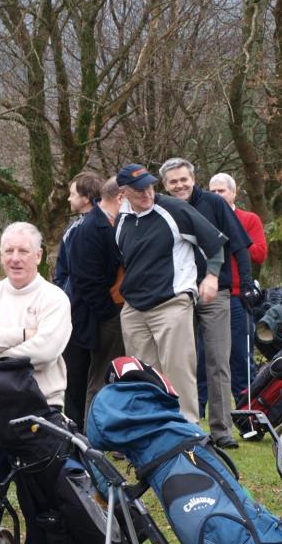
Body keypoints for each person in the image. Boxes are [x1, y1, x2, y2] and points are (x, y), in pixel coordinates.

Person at [0, 222, 72, 544]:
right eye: (9, 250)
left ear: (38, 255)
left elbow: (46, 350)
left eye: (23, 251)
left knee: (38, 495)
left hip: (41, 411)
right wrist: (23, 333)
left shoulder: (54, 298)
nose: (15, 258)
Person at [114, 163, 227, 425]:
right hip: (134, 308)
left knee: (178, 372)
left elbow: (214, 242)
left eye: (149, 186)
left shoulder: (173, 209)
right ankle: (153, 429)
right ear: (124, 193)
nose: (147, 193)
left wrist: (211, 276)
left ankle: (188, 431)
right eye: (139, 190)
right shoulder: (121, 219)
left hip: (172, 302)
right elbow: (125, 259)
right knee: (142, 374)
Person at [158, 158, 253, 447]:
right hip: (176, 296)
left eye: (183, 179)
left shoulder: (215, 203)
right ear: (164, 185)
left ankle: (222, 431)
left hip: (216, 292)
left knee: (218, 360)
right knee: (180, 364)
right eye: (173, 181)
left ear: (193, 177)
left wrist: (246, 285)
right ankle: (184, 428)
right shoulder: (160, 208)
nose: (179, 185)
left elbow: (238, 245)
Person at [59, 171, 123, 429]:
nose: (68, 199)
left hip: (93, 313)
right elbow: (79, 278)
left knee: (95, 373)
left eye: (72, 194)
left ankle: (90, 429)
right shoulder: (83, 228)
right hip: (82, 313)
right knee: (80, 376)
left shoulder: (107, 224)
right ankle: (82, 431)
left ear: (86, 198)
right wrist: (108, 312)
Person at [208, 172, 269, 397]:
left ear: (233, 193)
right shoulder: (202, 218)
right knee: (205, 357)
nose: (216, 195)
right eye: (212, 191)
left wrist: (235, 240)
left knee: (240, 357)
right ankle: (197, 420)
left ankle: (248, 417)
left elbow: (260, 254)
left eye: (221, 191)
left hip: (236, 296)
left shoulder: (249, 219)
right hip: (208, 295)